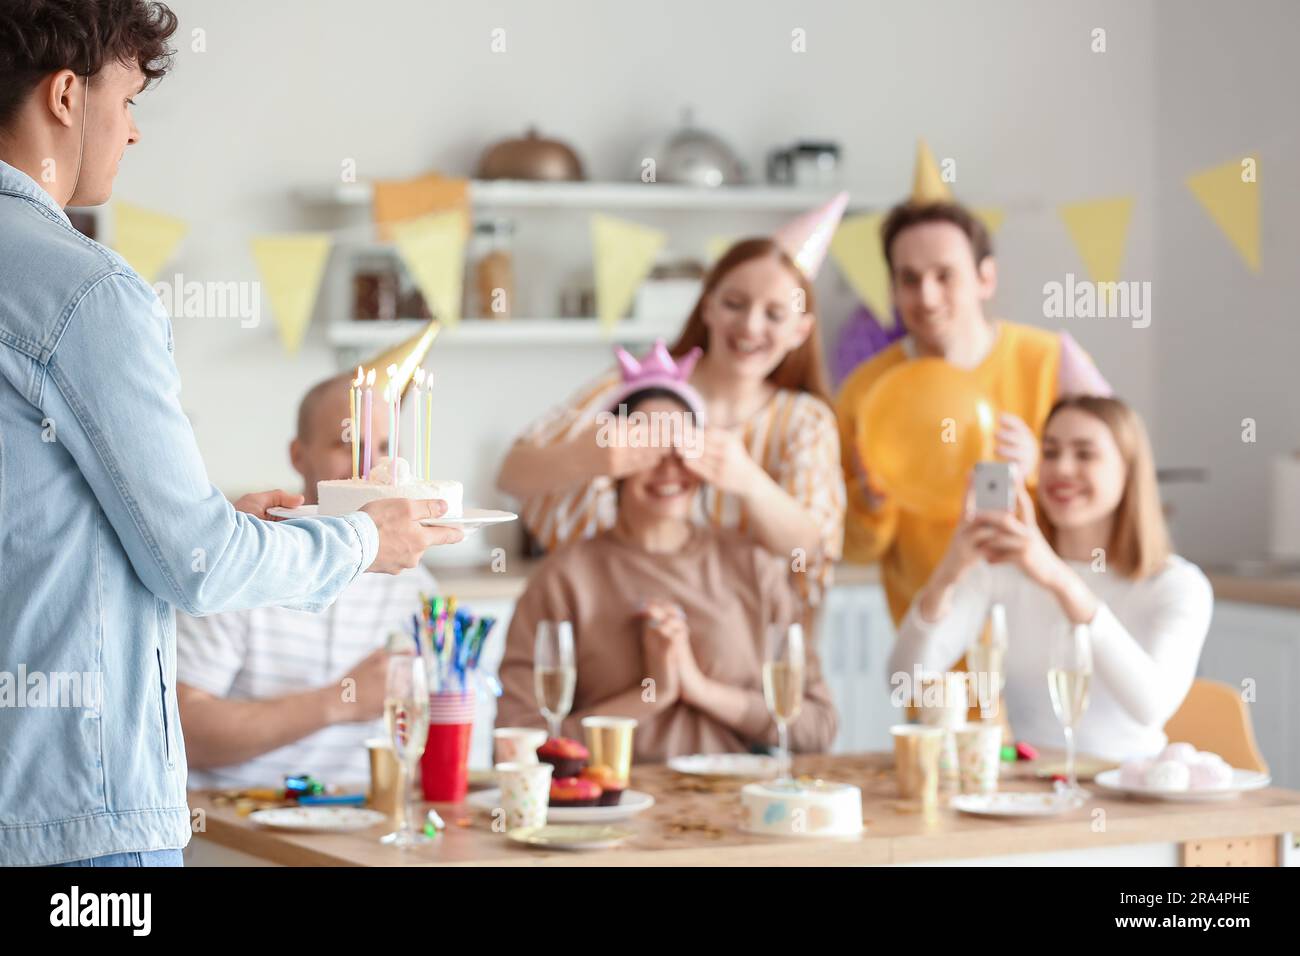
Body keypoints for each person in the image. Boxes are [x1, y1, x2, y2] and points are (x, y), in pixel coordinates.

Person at [0, 0, 458, 867]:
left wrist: (219, 521)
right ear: (66, 96)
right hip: (75, 816)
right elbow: (197, 565)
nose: (133, 134)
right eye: (128, 101)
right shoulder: (88, 294)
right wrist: (363, 538)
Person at [496, 356, 837, 760]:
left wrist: (699, 688)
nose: (668, 469)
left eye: (682, 449)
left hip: (734, 809)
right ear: (615, 463)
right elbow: (514, 747)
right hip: (606, 811)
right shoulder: (562, 581)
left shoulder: (753, 568)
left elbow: (818, 727)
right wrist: (650, 696)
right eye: (647, 450)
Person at [497, 225, 847, 607]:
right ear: (708, 306)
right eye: (735, 303)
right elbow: (512, 474)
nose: (750, 325)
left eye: (775, 314)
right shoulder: (634, 387)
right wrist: (587, 456)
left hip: (750, 644)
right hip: (622, 618)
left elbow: (811, 546)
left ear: (800, 331)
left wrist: (749, 481)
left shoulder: (805, 421)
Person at [889, 396, 1213, 762]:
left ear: (1128, 470)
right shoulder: (1004, 570)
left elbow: (1151, 706)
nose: (1062, 468)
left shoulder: (1177, 585)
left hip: (1132, 790)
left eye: (1085, 454)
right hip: (1029, 793)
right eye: (1051, 452)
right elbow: (905, 683)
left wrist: (1061, 581)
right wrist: (947, 575)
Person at [836, 198, 1110, 625]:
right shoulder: (865, 392)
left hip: (1045, 637)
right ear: (892, 289)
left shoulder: (1053, 364)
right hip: (930, 646)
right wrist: (871, 503)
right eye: (909, 279)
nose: (926, 296)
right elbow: (852, 550)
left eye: (945, 276)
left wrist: (1043, 466)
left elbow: (1121, 496)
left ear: (986, 278)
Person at [176, 374, 438, 789]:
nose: (371, 464)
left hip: (365, 823)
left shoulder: (414, 582)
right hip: (242, 826)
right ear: (299, 456)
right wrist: (340, 701)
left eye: (384, 447)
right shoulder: (248, 560)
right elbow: (182, 731)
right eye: (346, 443)